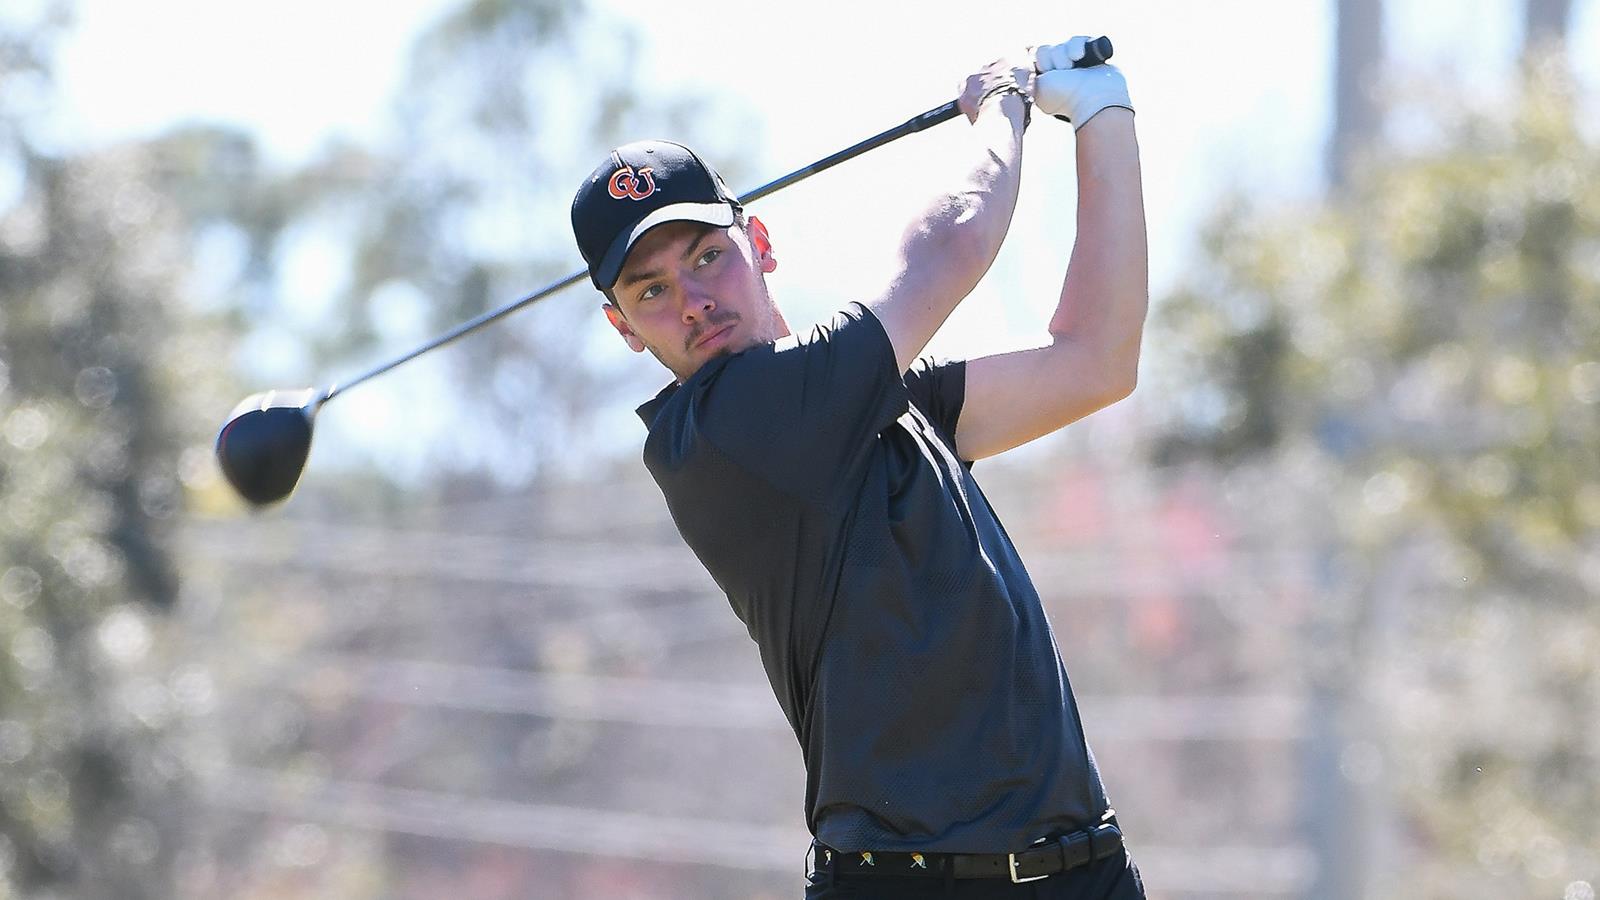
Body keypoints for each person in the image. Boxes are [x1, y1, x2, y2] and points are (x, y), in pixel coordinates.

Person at [569, 36, 1147, 899]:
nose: (692, 300)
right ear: (624, 329)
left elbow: (1097, 361)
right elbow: (952, 244)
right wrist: (1003, 108)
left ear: (758, 241)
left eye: (704, 256)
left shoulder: (876, 405)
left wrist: (1105, 115)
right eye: (650, 291)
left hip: (1079, 871)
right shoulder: (728, 431)